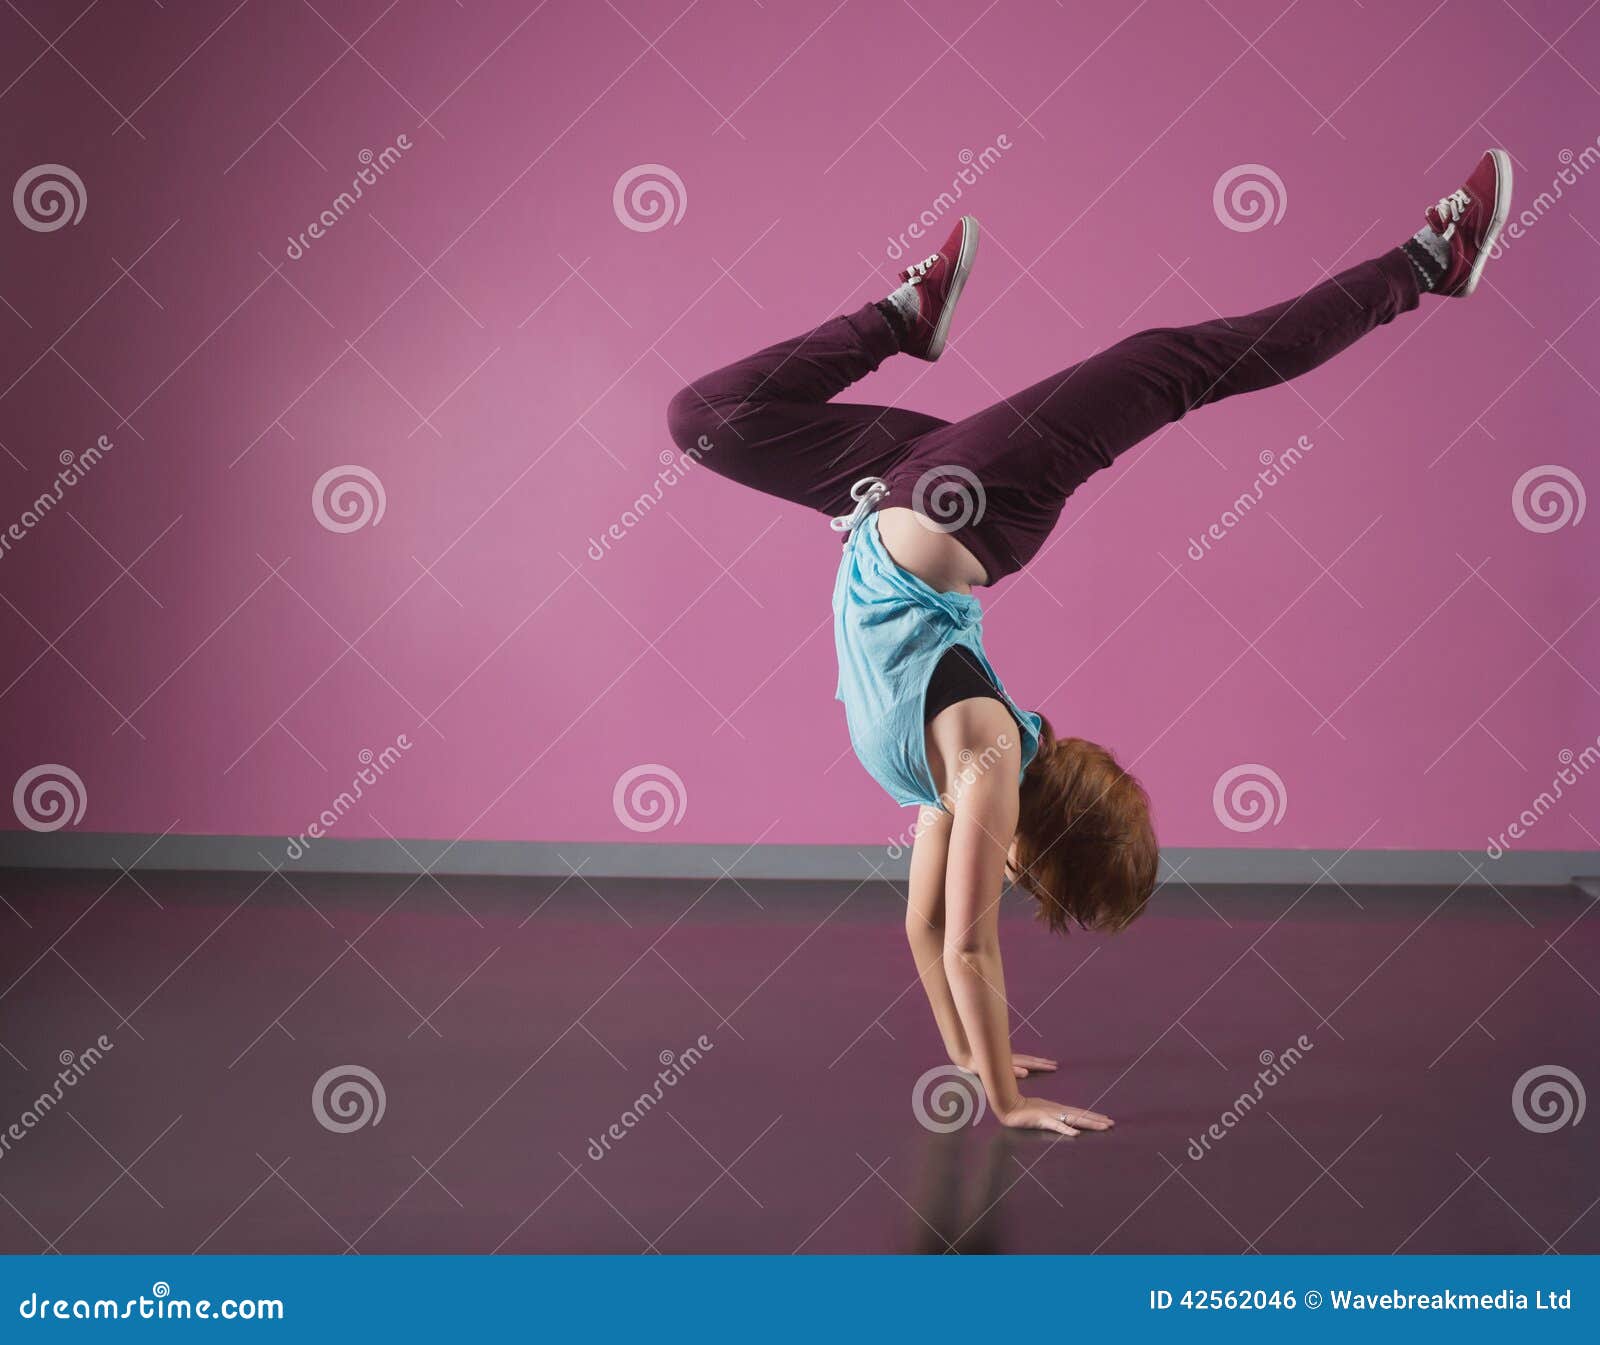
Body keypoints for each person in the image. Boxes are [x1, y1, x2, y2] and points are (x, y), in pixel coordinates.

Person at [666, 151, 1512, 1134]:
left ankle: (902, 322)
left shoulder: (947, 785)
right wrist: (1007, 1098)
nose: (1015, 886)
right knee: (1180, 361)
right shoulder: (979, 759)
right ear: (1037, 848)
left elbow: (929, 930)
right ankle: (1428, 261)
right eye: (1036, 881)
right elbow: (968, 948)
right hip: (968, 501)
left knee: (705, 421)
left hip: (893, 493)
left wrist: (968, 1057)